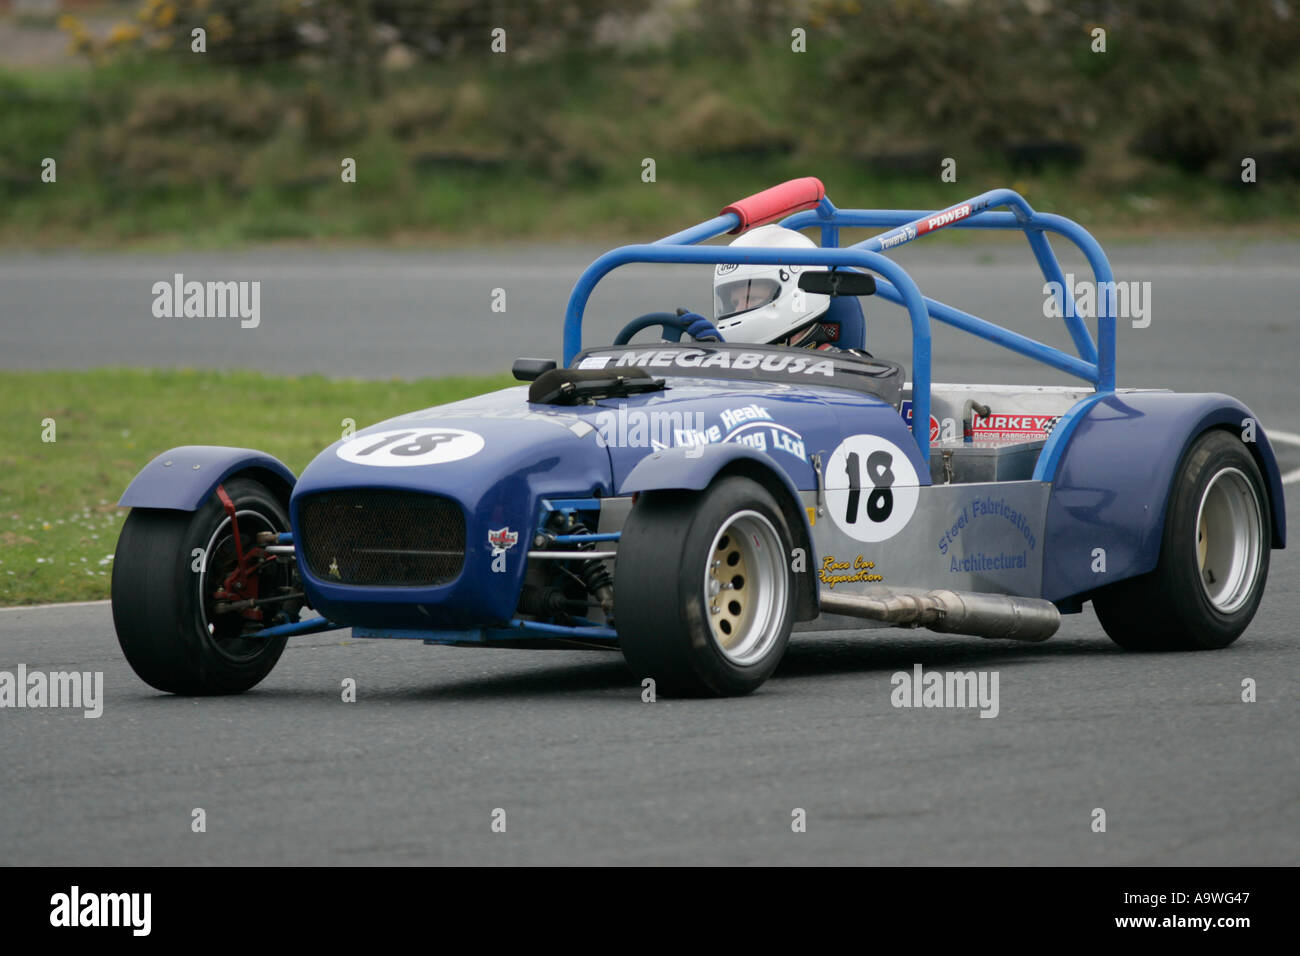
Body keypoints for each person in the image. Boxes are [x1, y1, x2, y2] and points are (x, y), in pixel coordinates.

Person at [711, 224, 869, 355]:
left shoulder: (844, 370)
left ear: (797, 295)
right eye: (734, 303)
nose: (738, 309)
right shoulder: (725, 363)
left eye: (752, 299)